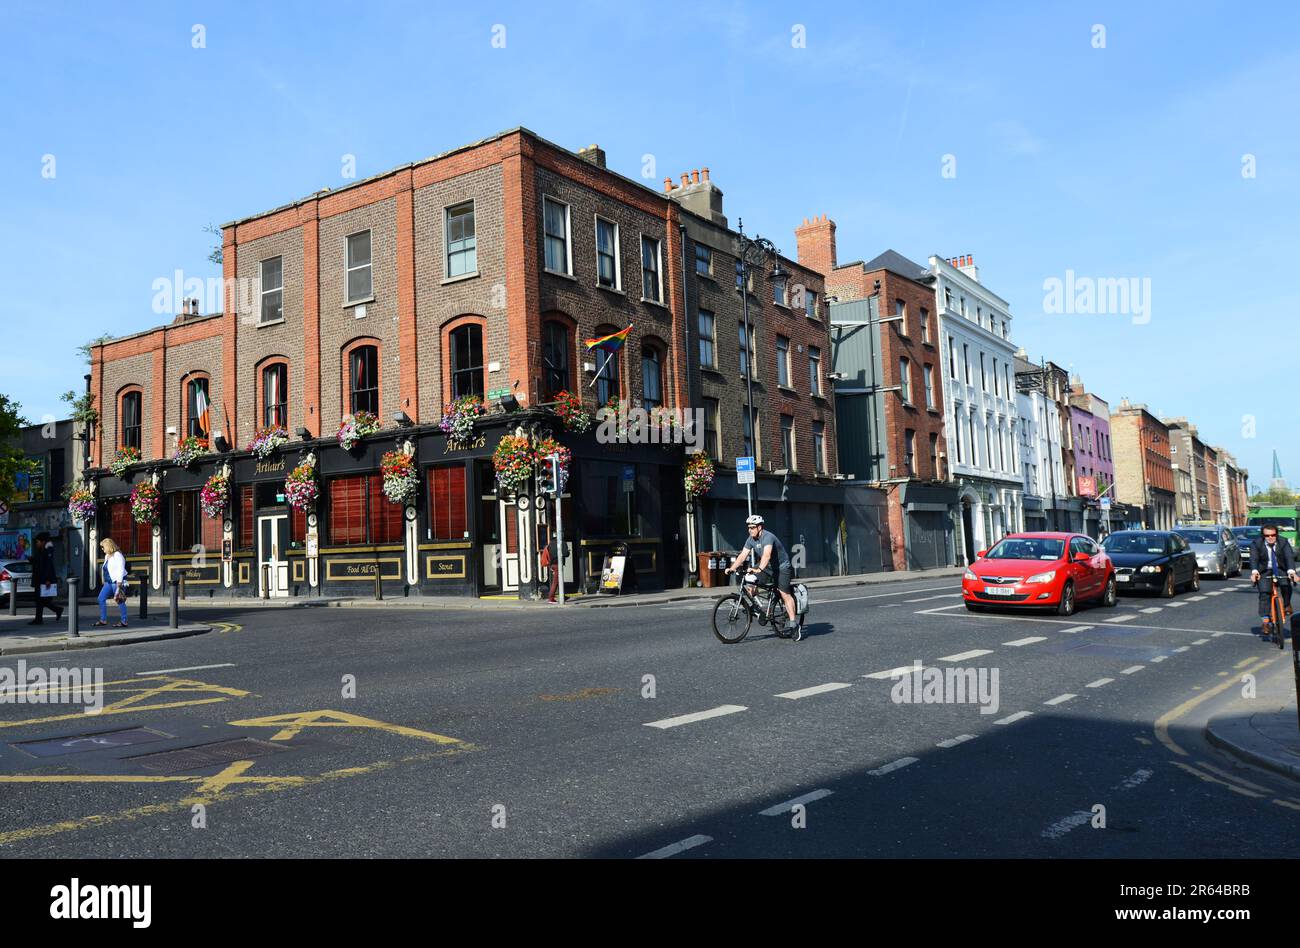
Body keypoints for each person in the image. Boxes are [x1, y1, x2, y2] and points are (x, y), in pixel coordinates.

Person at [725, 514, 802, 640]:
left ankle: (794, 625)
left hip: (782, 567)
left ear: (760, 527)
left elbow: (766, 555)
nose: (750, 530)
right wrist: (732, 568)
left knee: (784, 593)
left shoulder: (768, 537)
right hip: (767, 566)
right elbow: (743, 555)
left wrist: (758, 569)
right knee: (750, 581)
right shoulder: (751, 539)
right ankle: (758, 609)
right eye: (748, 527)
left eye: (752, 527)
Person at [1250, 525, 1296, 635]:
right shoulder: (1256, 544)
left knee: (1286, 585)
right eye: (1267, 535)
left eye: (1273, 535)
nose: (1270, 537)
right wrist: (1254, 572)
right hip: (1264, 570)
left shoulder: (1283, 542)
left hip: (1280, 568)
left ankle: (1286, 604)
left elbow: (1289, 557)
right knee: (1264, 593)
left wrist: (1291, 572)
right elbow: (1254, 558)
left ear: (1276, 534)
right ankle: (1265, 621)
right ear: (1263, 536)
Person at [29, 532, 63, 625]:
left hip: (43, 579)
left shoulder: (47, 551)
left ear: (43, 542)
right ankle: (55, 611)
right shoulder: (40, 550)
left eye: (38, 542)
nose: (37, 544)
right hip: (38, 578)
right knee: (40, 600)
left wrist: (47, 579)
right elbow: (38, 562)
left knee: (41, 600)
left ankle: (40, 618)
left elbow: (48, 566)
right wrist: (32, 559)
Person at [95, 537, 129, 628]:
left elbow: (121, 569)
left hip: (116, 581)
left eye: (103, 547)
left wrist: (119, 584)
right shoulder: (107, 556)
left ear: (108, 546)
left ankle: (124, 621)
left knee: (119, 600)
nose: (102, 549)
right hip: (108, 582)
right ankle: (103, 620)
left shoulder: (117, 555)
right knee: (101, 598)